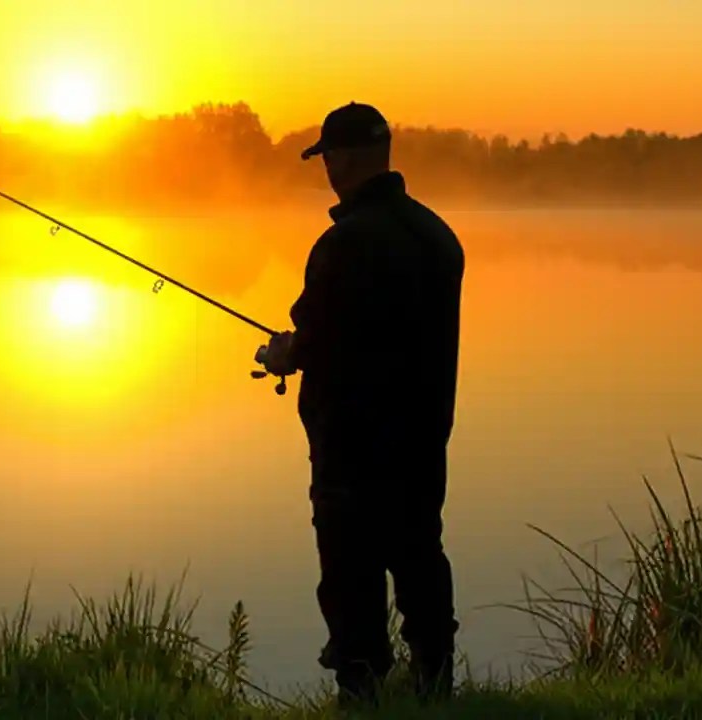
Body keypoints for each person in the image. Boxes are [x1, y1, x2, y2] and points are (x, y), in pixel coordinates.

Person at [257, 102, 465, 705]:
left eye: (327, 157)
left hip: (352, 445)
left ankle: (362, 690)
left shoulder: (343, 244)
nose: (326, 169)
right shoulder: (437, 235)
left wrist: (281, 355)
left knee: (351, 573)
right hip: (424, 436)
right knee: (421, 555)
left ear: (346, 158)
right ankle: (435, 683)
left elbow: (315, 340)